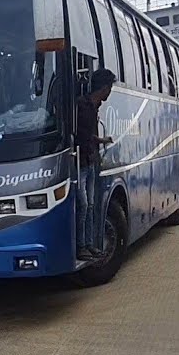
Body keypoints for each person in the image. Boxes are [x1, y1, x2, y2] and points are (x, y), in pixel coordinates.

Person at [75, 70, 115, 260]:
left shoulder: (94, 106)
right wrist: (99, 142)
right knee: (83, 205)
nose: (110, 93)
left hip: (89, 161)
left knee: (90, 205)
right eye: (110, 88)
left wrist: (99, 143)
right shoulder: (82, 106)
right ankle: (81, 246)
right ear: (104, 88)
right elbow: (82, 136)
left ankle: (89, 244)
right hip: (81, 162)